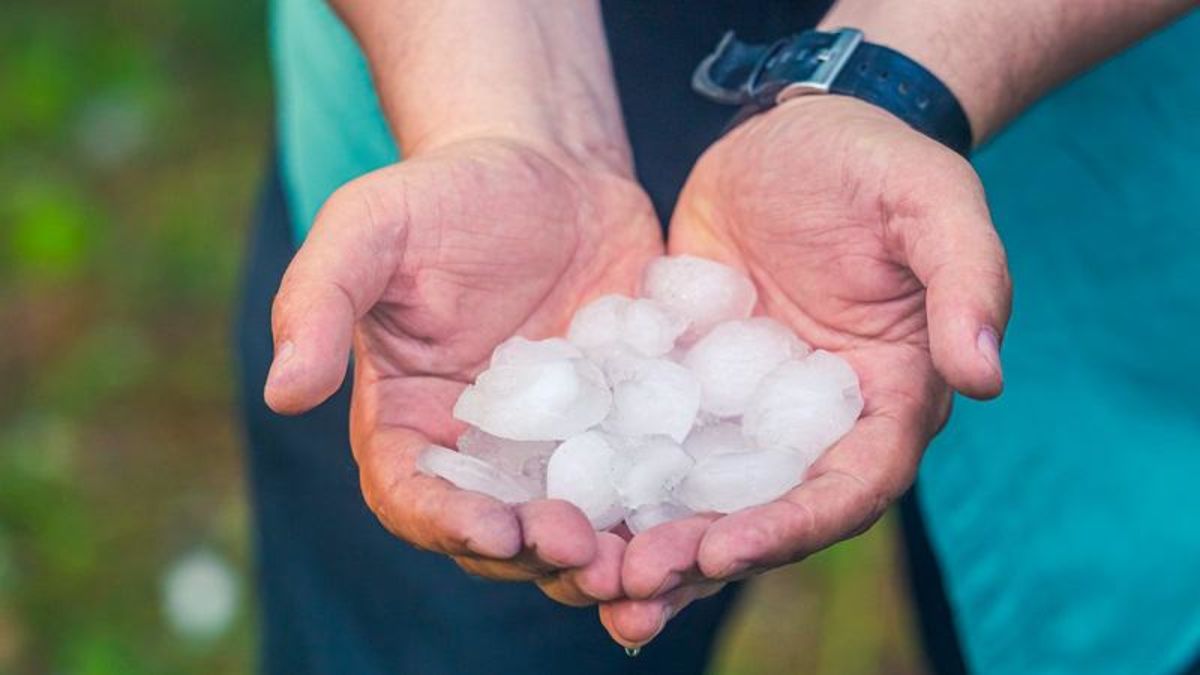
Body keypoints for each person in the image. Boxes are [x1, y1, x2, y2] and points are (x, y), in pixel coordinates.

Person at [235, 1, 1200, 673]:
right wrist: (497, 117)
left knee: (1102, 596)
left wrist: (894, 81)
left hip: (1085, 161)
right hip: (457, 97)